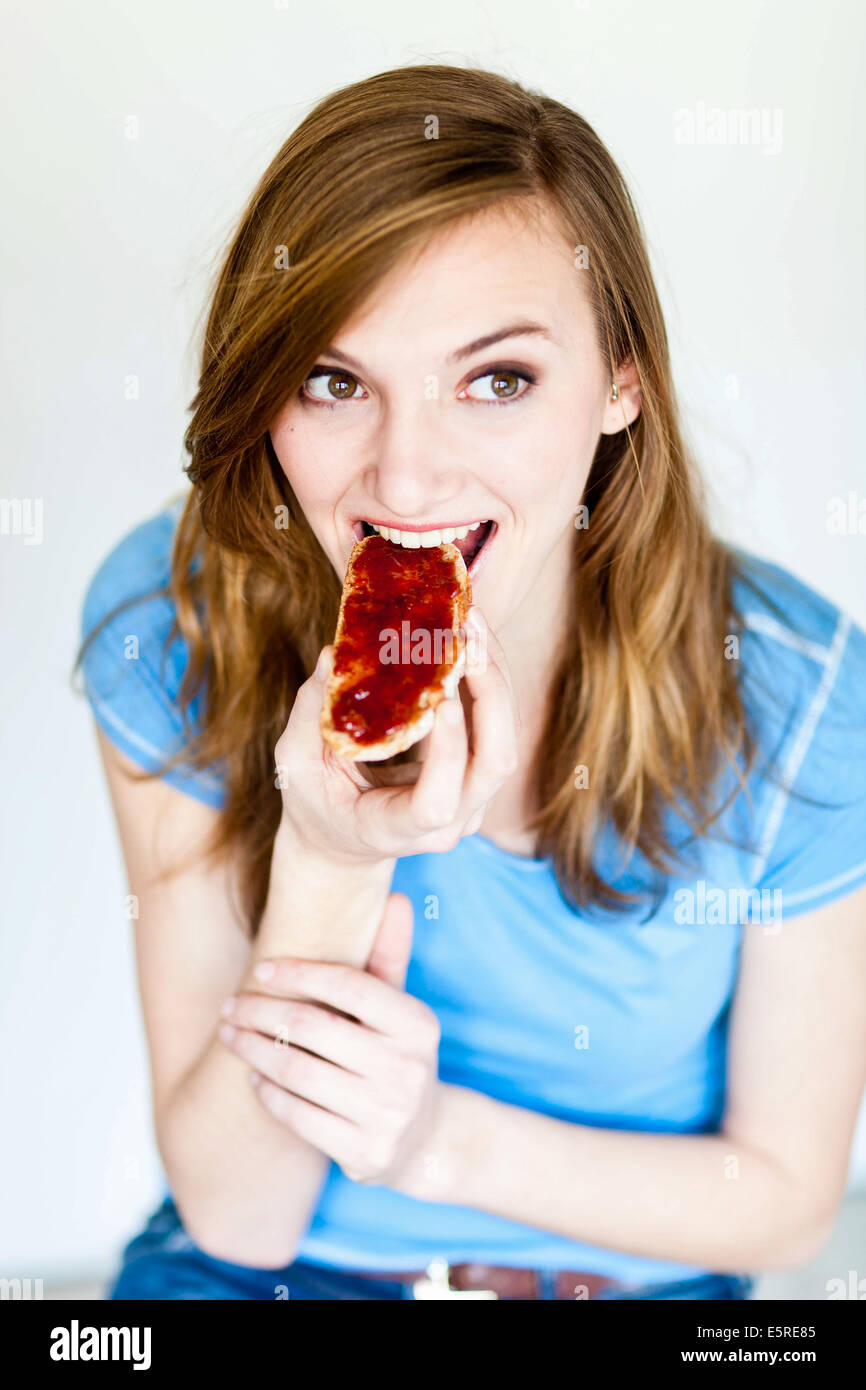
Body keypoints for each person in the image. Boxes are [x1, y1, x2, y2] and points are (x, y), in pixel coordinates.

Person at [76, 63, 866, 1301]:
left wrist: (431, 1139)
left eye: (496, 379)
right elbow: (238, 1216)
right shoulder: (174, 616)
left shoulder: (797, 693)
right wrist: (331, 863)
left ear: (620, 385)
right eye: (334, 381)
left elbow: (778, 1204)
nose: (403, 480)